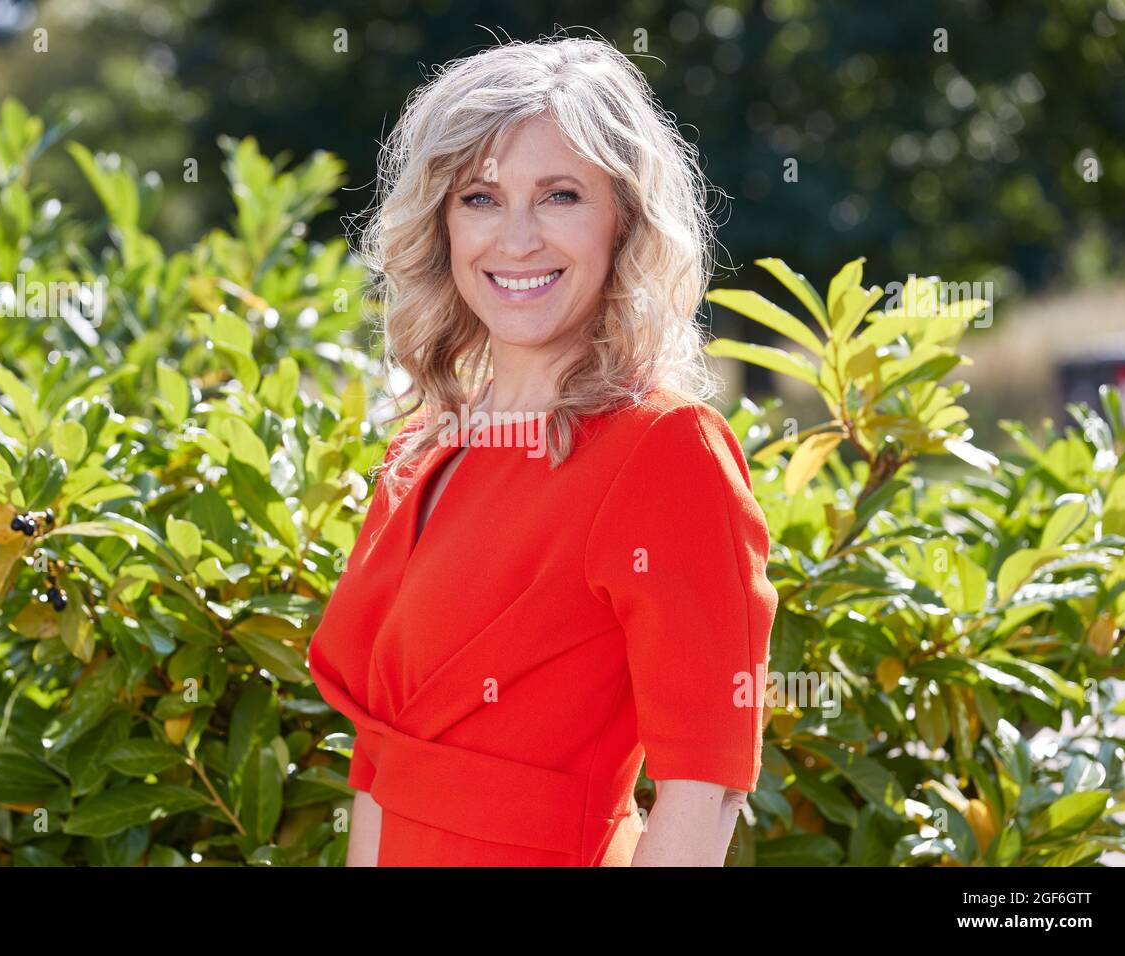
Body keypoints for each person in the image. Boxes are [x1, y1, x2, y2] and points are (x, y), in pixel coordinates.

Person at [308, 34, 778, 866]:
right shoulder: (423, 447)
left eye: (560, 195)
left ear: (624, 220)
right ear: (442, 223)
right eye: (480, 198)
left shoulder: (666, 450)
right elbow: (381, 769)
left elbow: (707, 791)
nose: (516, 239)